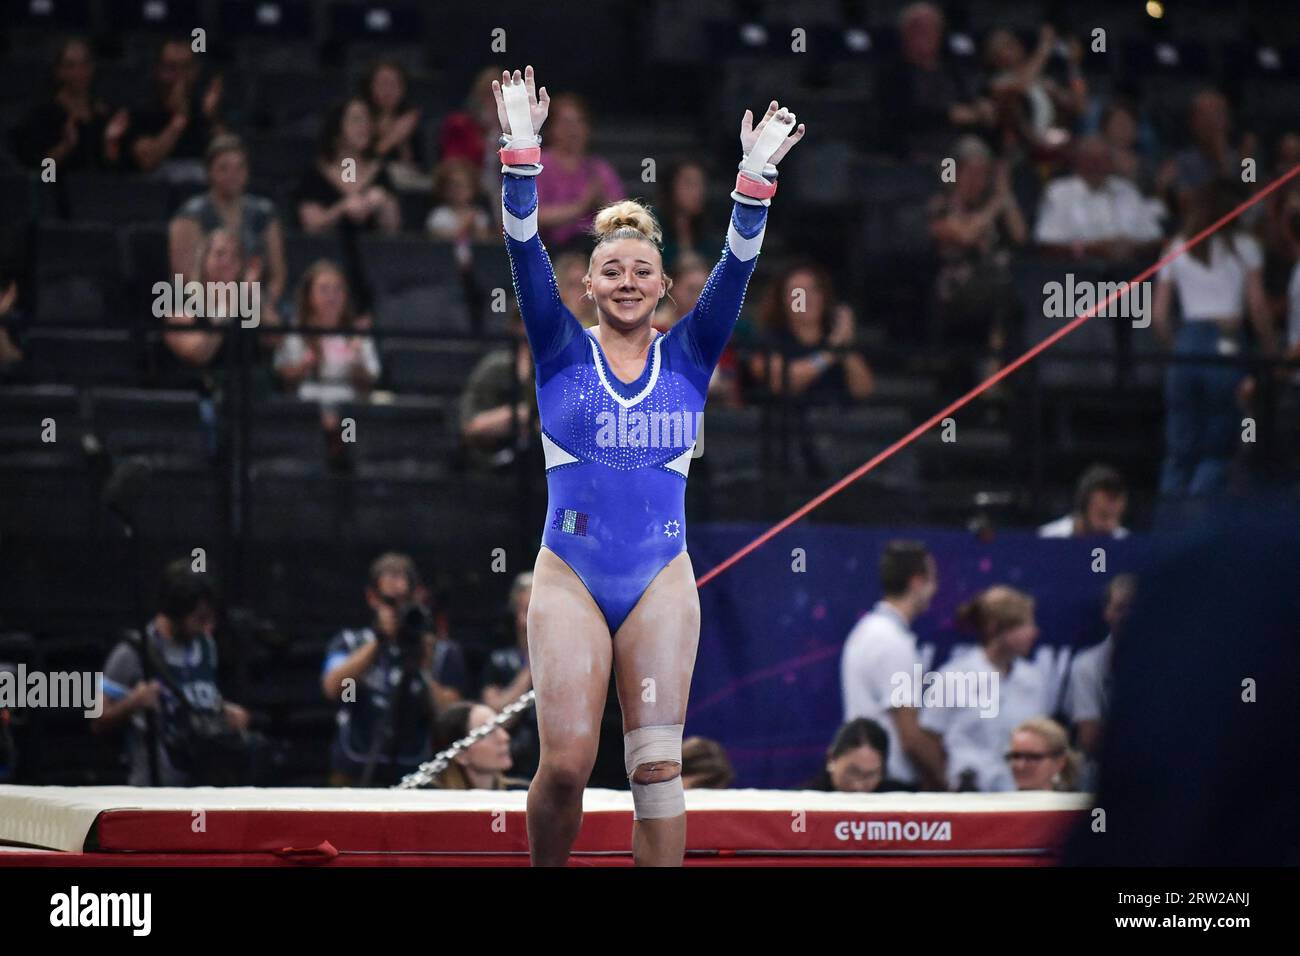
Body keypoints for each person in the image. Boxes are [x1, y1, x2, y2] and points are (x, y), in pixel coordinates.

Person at [494, 65, 803, 866]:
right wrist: (520, 151)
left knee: (658, 769)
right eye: (611, 271)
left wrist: (755, 179)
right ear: (587, 286)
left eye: (642, 271)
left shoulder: (692, 353)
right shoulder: (557, 348)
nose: (627, 281)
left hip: (661, 576)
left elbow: (737, 268)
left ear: (664, 285)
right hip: (570, 572)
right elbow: (523, 246)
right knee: (564, 769)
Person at [1152, 178, 1277, 496]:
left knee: (1179, 446)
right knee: (1217, 443)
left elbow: (1159, 316)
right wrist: (1270, 350)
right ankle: (1198, 520)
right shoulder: (1245, 246)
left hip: (1187, 343)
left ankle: (1169, 526)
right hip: (1226, 340)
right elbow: (1258, 307)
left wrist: (1177, 348)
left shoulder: (1176, 245)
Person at [94, 560, 251, 786]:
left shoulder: (206, 647)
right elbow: (96, 718)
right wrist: (133, 702)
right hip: (155, 787)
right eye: (199, 619)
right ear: (176, 611)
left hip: (203, 784)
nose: (207, 627)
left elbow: (200, 697)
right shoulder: (133, 652)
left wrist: (225, 711)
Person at [320, 553, 462, 786]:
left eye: (404, 601)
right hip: (355, 769)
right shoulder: (349, 642)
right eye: (389, 601)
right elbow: (333, 687)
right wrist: (378, 642)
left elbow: (450, 717)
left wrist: (423, 668)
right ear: (372, 598)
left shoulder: (442, 651)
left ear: (418, 596)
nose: (398, 610)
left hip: (418, 772)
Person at [920, 585, 1055, 792]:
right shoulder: (952, 677)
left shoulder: (1035, 680)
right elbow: (930, 739)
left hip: (1021, 798)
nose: (1034, 632)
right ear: (995, 628)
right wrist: (945, 784)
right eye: (1024, 624)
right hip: (966, 798)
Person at [840, 540, 946, 790]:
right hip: (889, 785)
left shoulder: (871, 631)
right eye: (933, 580)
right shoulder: (891, 642)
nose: (936, 589)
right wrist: (946, 783)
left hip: (876, 779)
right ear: (917, 582)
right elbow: (909, 736)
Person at [169, 135, 287, 315]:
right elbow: (185, 276)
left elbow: (277, 275)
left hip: (254, 301)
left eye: (239, 167)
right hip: (202, 304)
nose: (233, 175)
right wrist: (222, 307)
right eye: (224, 168)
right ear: (210, 172)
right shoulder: (190, 215)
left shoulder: (265, 212)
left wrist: (260, 304)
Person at [875, 2, 994, 164]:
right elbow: (897, 117)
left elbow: (966, 103)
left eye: (934, 29)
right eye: (920, 29)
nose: (928, 35)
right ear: (906, 33)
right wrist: (947, 116)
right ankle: (948, 186)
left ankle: (965, 187)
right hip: (912, 149)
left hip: (952, 149)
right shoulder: (892, 73)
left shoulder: (951, 70)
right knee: (951, 163)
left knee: (976, 152)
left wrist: (978, 108)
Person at [748, 260, 874, 406]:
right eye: (797, 292)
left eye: (813, 289)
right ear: (782, 300)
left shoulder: (837, 339)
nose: (807, 299)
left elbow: (864, 390)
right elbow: (785, 382)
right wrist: (831, 352)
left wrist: (844, 343)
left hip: (835, 421)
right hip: (788, 423)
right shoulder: (768, 340)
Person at [1033, 135, 1164, 264]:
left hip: (1128, 272)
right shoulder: (1059, 192)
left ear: (1111, 163)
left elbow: (1155, 239)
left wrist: (1133, 248)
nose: (1096, 165)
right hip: (1075, 275)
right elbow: (1046, 245)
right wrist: (1095, 249)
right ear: (1078, 161)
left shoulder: (1128, 190)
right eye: (1090, 159)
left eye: (1102, 159)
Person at [11, 36, 129, 172]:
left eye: (85, 64)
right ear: (58, 71)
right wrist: (66, 146)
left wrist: (111, 144)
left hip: (97, 191)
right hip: (56, 191)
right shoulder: (42, 115)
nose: (79, 72)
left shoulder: (103, 115)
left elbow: (115, 174)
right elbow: (41, 174)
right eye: (70, 66)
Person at [1063, 574, 1136, 782]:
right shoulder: (1087, 665)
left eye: (1133, 608)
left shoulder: (1170, 661)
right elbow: (1090, 739)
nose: (1127, 615)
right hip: (1102, 777)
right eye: (1120, 608)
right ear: (1107, 612)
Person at [533, 92, 627, 250]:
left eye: (579, 122)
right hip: (549, 248)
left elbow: (623, 219)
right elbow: (532, 216)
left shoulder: (600, 168)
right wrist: (580, 207)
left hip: (595, 248)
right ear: (551, 128)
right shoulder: (538, 164)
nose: (573, 130)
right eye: (566, 122)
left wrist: (602, 202)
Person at [125, 37, 224, 180]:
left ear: (195, 70)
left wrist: (211, 118)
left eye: (186, 67)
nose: (180, 76)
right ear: (158, 70)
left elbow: (232, 161)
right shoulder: (142, 110)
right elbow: (147, 161)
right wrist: (179, 119)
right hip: (155, 193)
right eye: (172, 67)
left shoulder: (206, 108)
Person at [427, 702, 530, 790]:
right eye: (487, 732)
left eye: (500, 727)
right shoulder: (426, 800)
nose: (505, 737)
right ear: (460, 754)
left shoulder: (523, 794)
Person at [801, 718, 915, 793]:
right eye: (853, 772)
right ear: (831, 759)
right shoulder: (800, 803)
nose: (859, 786)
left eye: (870, 775)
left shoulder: (901, 802)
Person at [1037, 463, 1130, 538]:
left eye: (1117, 517)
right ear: (1083, 507)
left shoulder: (1126, 542)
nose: (1111, 525)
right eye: (1103, 516)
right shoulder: (1048, 538)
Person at [1006, 717, 1080, 791]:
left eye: (1033, 757)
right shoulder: (1000, 801)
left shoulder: (1077, 801)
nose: (1021, 765)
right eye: (1016, 756)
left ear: (1059, 762)